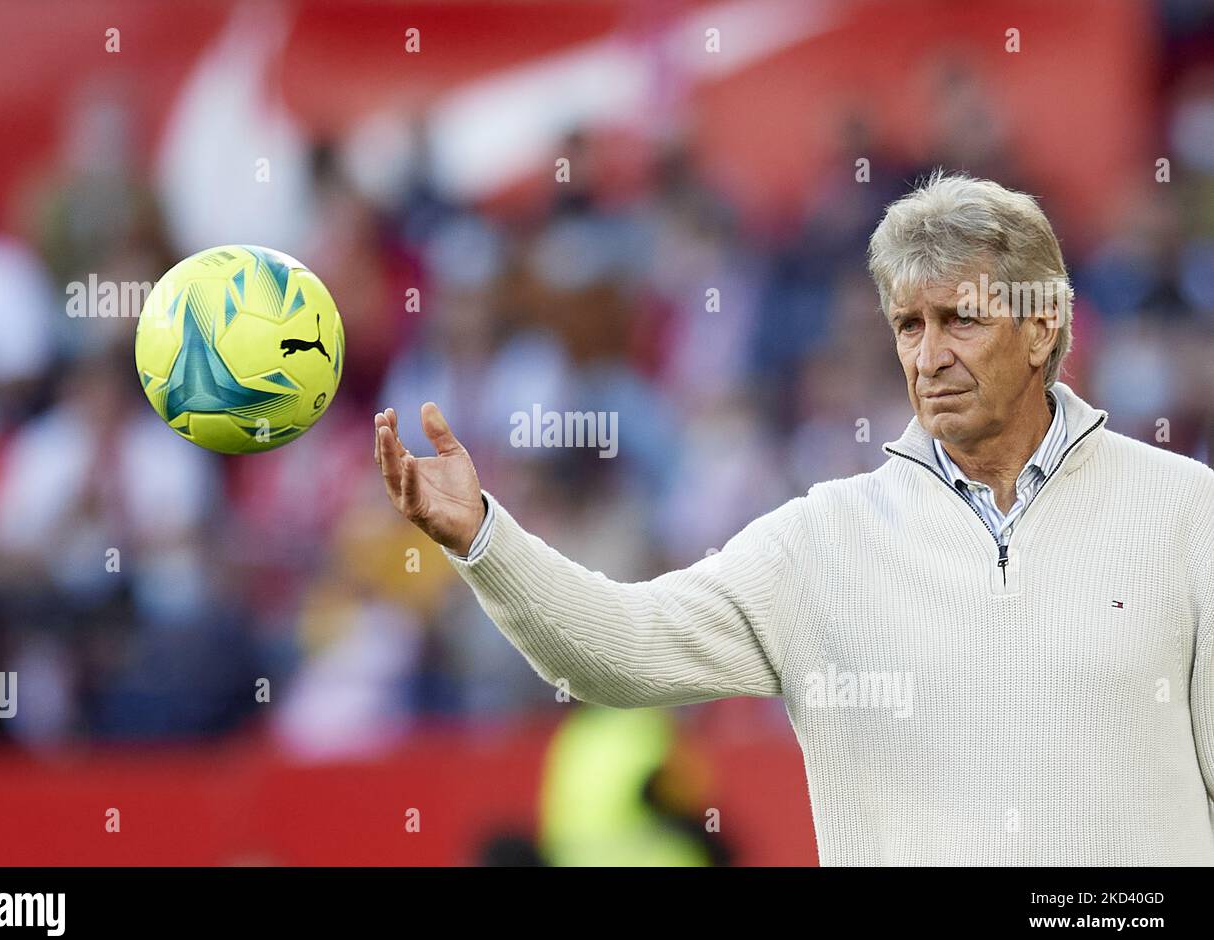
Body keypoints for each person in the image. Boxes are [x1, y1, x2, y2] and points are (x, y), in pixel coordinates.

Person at [372, 172, 1214, 866]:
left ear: (1044, 327)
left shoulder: (1186, 515)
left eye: (962, 319)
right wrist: (484, 536)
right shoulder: (824, 541)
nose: (929, 356)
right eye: (908, 326)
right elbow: (621, 649)